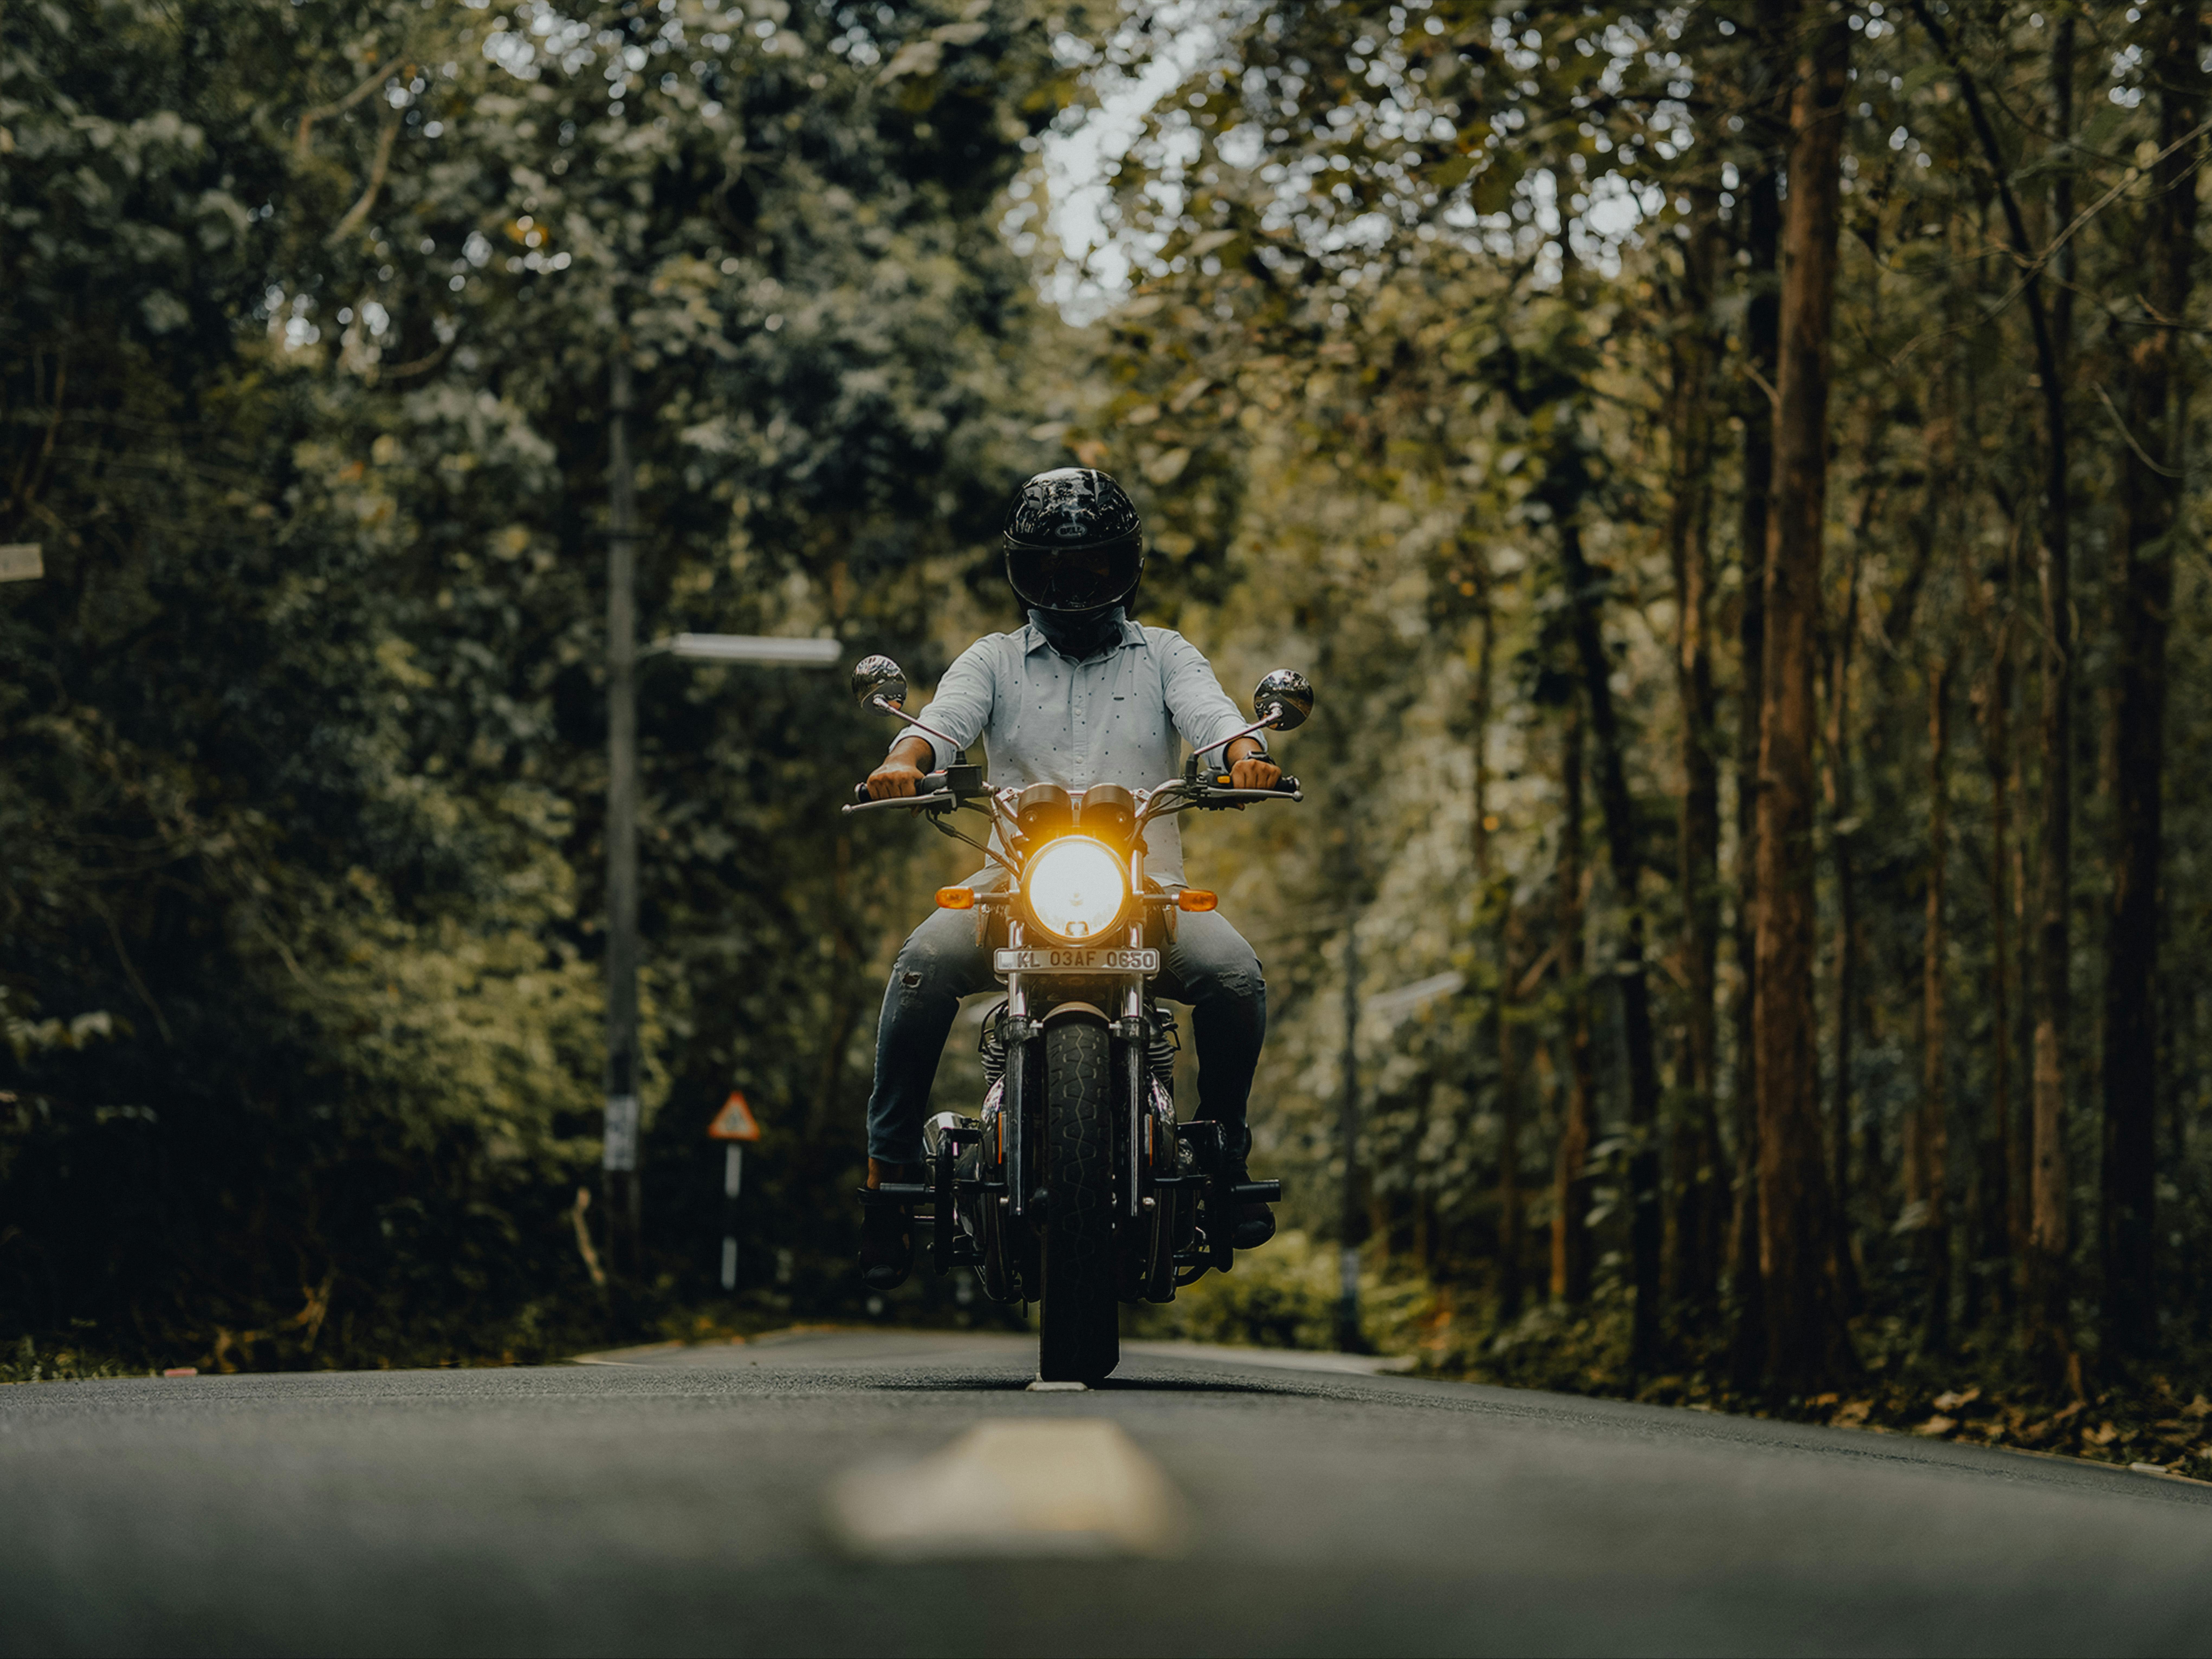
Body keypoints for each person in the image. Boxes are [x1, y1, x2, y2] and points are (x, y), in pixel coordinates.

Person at [857, 467, 1280, 1290]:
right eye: (1054, 568)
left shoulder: (1165, 654)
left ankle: (1223, 1149)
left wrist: (1247, 755)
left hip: (1146, 893)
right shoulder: (993, 660)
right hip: (1009, 891)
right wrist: (899, 762)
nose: (1075, 584)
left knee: (1236, 974)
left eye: (1092, 566)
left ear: (1125, 565)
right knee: (916, 969)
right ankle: (886, 1177)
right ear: (1025, 571)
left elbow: (1214, 716)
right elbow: (940, 726)